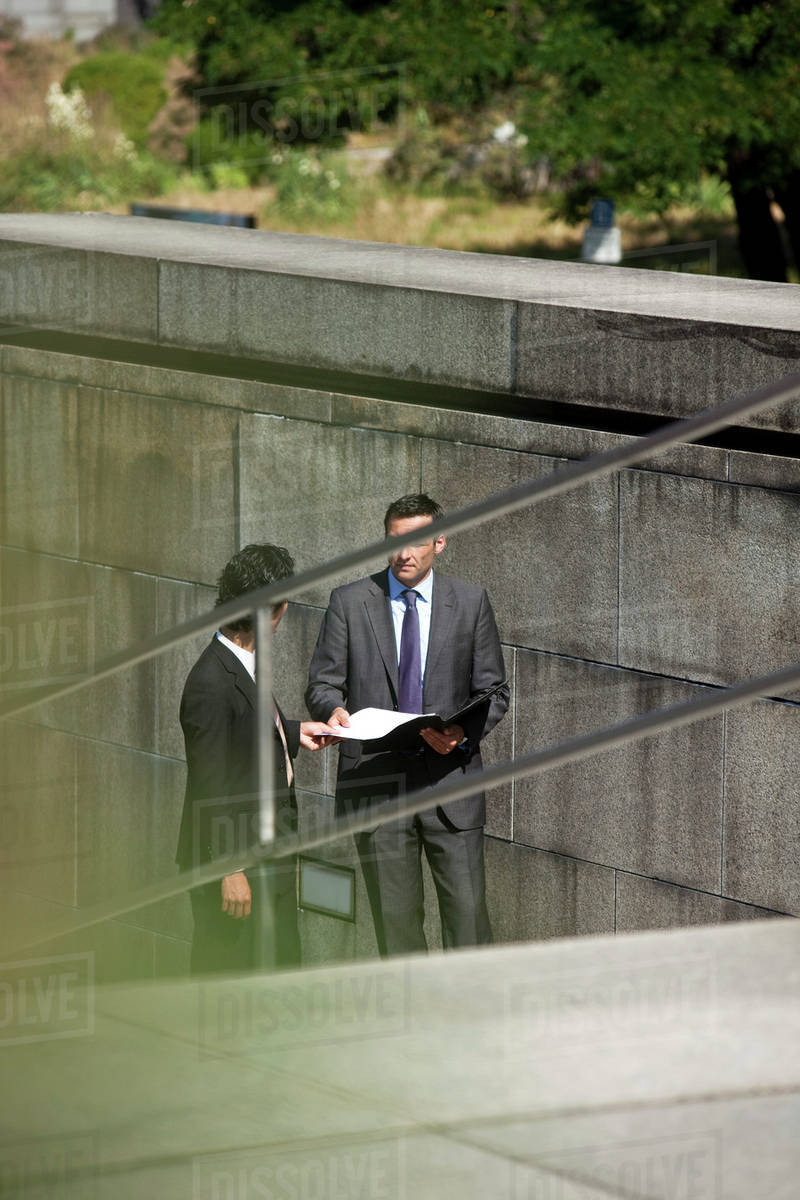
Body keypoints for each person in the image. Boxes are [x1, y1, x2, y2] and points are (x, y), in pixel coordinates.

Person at [305, 494, 509, 956]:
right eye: (395, 542)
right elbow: (322, 683)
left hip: (450, 787)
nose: (404, 554)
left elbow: (494, 692)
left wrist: (462, 733)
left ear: (439, 541)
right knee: (396, 934)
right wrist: (333, 710)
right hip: (377, 787)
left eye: (416, 542)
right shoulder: (350, 603)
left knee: (468, 925)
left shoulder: (472, 602)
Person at [176, 543, 333, 975]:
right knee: (231, 981)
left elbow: (248, 732)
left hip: (268, 854)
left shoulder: (242, 662)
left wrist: (298, 734)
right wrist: (230, 869)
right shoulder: (211, 681)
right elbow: (209, 781)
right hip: (237, 864)